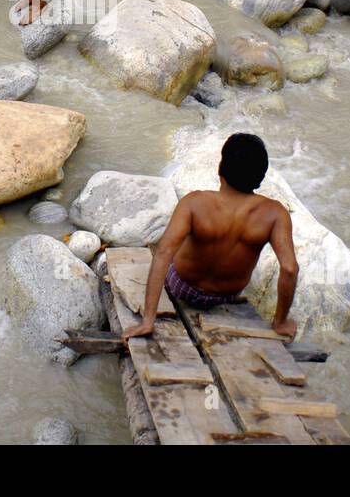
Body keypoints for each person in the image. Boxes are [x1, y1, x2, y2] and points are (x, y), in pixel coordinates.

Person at [122, 133, 300, 342]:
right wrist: (280, 322)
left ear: (220, 169)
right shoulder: (275, 213)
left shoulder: (195, 202)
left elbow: (163, 252)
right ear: (260, 177)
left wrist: (148, 321)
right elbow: (289, 269)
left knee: (170, 243)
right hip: (226, 296)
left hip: (182, 287)